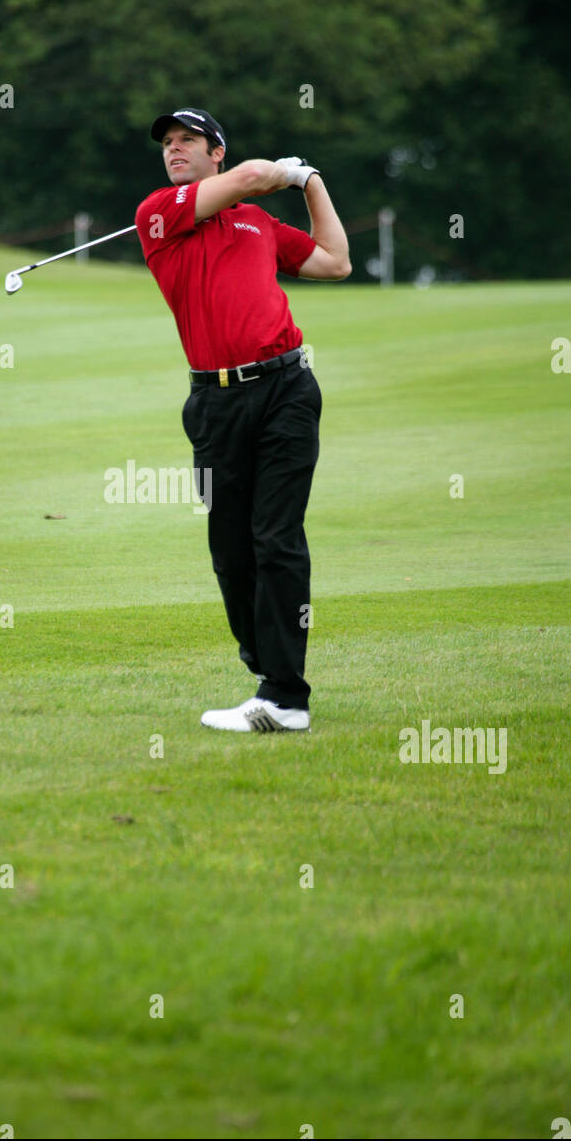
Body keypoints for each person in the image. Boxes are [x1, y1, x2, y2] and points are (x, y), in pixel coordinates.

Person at [134, 107, 351, 732]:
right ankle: (266, 666)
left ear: (215, 151)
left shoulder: (258, 223)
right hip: (214, 404)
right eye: (169, 143)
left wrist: (311, 183)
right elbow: (255, 175)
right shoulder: (158, 214)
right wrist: (282, 169)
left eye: (189, 141)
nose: (175, 150)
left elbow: (335, 263)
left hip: (287, 387)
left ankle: (285, 696)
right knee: (231, 552)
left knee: (276, 539)